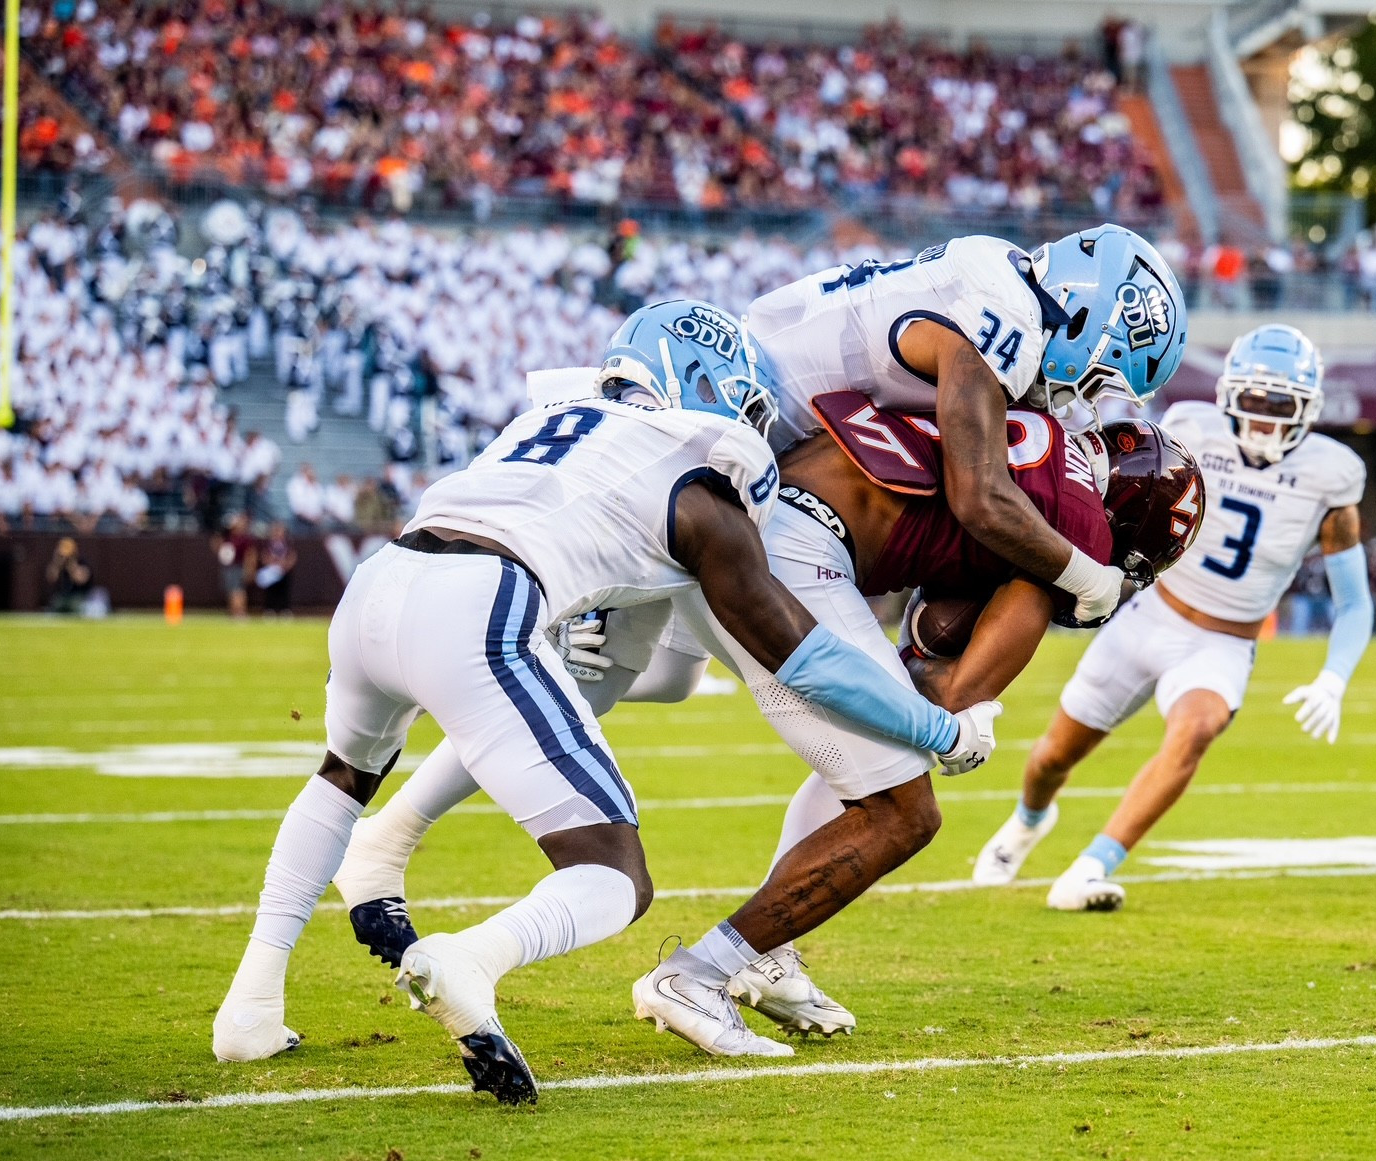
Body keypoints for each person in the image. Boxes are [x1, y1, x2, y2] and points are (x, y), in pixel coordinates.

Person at [210, 301, 997, 1101]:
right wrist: (937, 728)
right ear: (709, 385)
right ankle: (472, 958)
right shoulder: (702, 479)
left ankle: (251, 1006)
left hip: (380, 584)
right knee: (614, 877)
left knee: (340, 779)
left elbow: (650, 651)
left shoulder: (547, 418)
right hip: (481, 605)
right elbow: (806, 659)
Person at [335, 398, 1203, 1050]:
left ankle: (762, 952)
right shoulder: (1077, 524)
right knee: (903, 807)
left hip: (739, 512)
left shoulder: (1028, 424)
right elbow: (945, 702)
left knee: (652, 693)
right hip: (791, 555)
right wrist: (964, 712)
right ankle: (699, 973)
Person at [975, 324, 1374, 910]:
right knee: (1053, 757)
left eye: (1280, 406)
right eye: (1254, 401)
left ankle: (1090, 868)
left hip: (1224, 644)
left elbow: (1355, 600)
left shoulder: (1331, 473)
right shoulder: (1190, 427)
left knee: (1196, 730)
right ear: (1229, 395)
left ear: (1307, 410)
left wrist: (1334, 678)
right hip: (1152, 615)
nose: (1264, 419)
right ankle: (1029, 821)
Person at [744, 224, 1186, 631]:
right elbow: (980, 499)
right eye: (1097, 381)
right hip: (749, 410)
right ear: (1086, 325)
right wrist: (1091, 580)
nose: (1083, 400)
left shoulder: (1003, 269)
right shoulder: (1013, 324)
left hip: (761, 387)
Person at [213, 512, 255, 618]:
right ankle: (233, 612)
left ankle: (240, 612)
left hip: (239, 566)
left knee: (238, 590)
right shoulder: (228, 537)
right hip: (229, 567)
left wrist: (249, 569)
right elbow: (216, 545)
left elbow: (250, 554)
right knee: (231, 591)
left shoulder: (245, 538)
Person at [256, 522, 297, 617]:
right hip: (271, 571)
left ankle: (284, 609)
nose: (278, 533)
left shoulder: (288, 543)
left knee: (284, 591)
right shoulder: (268, 544)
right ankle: (269, 609)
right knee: (271, 591)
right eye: (276, 531)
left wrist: (286, 566)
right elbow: (264, 556)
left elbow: (292, 556)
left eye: (280, 531)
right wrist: (271, 563)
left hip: (284, 571)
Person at [45, 537, 94, 614]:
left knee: (75, 606)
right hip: (64, 596)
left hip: (80, 596)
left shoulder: (82, 562)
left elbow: (81, 580)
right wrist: (57, 563)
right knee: (57, 604)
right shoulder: (60, 564)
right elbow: (51, 578)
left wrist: (71, 566)